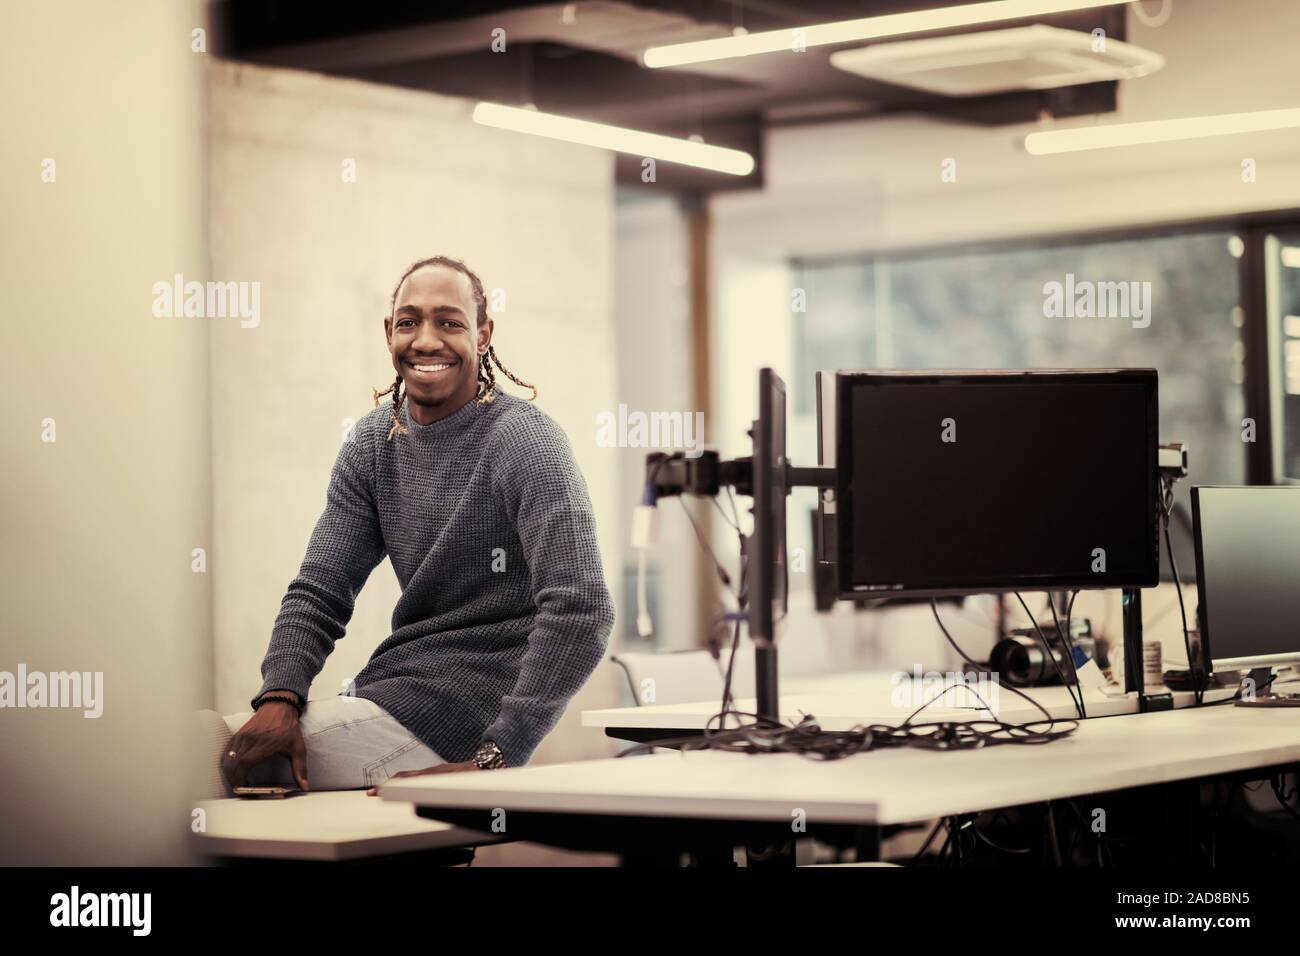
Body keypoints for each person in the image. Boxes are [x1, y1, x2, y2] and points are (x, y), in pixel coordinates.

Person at [205, 255, 615, 796]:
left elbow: (582, 608)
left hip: (463, 721)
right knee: (199, 745)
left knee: (196, 757)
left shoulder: (526, 442)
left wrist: (498, 756)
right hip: (390, 693)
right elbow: (320, 589)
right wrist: (280, 695)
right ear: (388, 333)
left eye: (449, 322)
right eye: (409, 321)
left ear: (484, 335)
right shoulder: (374, 444)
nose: (426, 340)